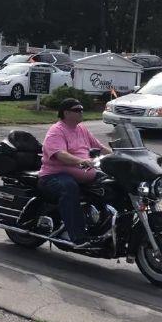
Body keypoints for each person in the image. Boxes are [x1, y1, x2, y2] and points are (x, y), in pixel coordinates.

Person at [39, 98, 112, 247]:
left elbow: (99, 147)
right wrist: (81, 161)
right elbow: (60, 154)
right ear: (66, 113)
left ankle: (105, 225)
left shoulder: (81, 129)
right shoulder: (56, 131)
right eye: (77, 110)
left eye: (82, 109)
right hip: (53, 175)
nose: (81, 112)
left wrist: (118, 155)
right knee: (69, 188)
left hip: (84, 173)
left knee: (111, 183)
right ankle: (78, 237)